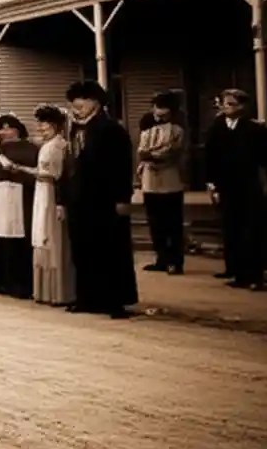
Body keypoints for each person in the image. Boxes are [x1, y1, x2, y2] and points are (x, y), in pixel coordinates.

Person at [64, 80, 138, 317]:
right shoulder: (75, 129)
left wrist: (122, 198)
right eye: (75, 102)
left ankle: (114, 300)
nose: (78, 106)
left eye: (83, 100)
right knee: (82, 250)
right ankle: (87, 297)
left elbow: (122, 167)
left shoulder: (111, 129)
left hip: (105, 200)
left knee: (110, 250)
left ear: (96, 102)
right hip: (79, 200)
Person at [205, 89, 267, 292]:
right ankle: (235, 270)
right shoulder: (217, 127)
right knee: (230, 228)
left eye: (231, 104)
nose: (226, 107)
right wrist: (212, 183)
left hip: (248, 185)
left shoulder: (254, 129)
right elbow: (210, 156)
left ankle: (254, 275)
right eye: (224, 103)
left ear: (241, 106)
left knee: (251, 231)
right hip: (226, 185)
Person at [15, 104, 76, 306]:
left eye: (46, 124)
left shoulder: (59, 146)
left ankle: (60, 291)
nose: (41, 128)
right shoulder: (48, 145)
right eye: (40, 124)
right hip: (42, 192)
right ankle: (45, 290)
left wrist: (60, 202)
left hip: (51, 193)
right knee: (42, 237)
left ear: (57, 126)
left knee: (53, 237)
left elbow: (60, 177)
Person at [0, 114, 38, 299]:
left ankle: (19, 283)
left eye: (8, 128)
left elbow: (18, 169)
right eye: (1, 129)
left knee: (17, 237)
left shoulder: (29, 148)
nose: (4, 132)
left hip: (19, 195)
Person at [138, 90, 187, 275]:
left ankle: (175, 261)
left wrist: (152, 154)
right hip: (150, 180)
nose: (159, 117)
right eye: (157, 113)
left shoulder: (177, 129)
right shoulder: (147, 127)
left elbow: (171, 152)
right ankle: (161, 258)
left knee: (172, 223)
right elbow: (142, 150)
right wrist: (149, 155)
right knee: (155, 223)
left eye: (163, 114)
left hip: (170, 180)